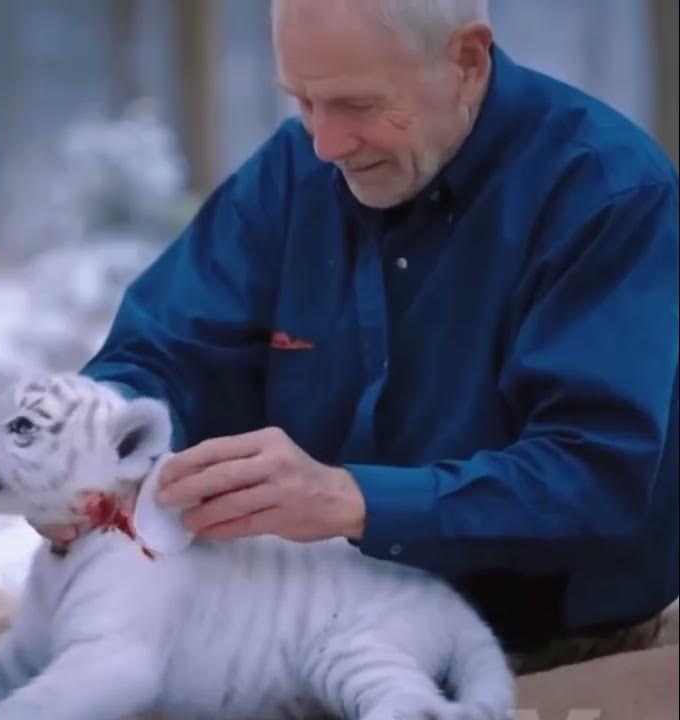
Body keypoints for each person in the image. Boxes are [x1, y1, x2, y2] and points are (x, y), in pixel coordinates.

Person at [38, 0, 679, 674]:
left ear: (466, 59)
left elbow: (590, 479)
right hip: (290, 624)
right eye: (304, 102)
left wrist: (351, 500)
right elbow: (167, 351)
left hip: (548, 649)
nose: (326, 144)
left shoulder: (605, 193)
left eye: (357, 105)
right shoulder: (293, 174)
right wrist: (88, 443)